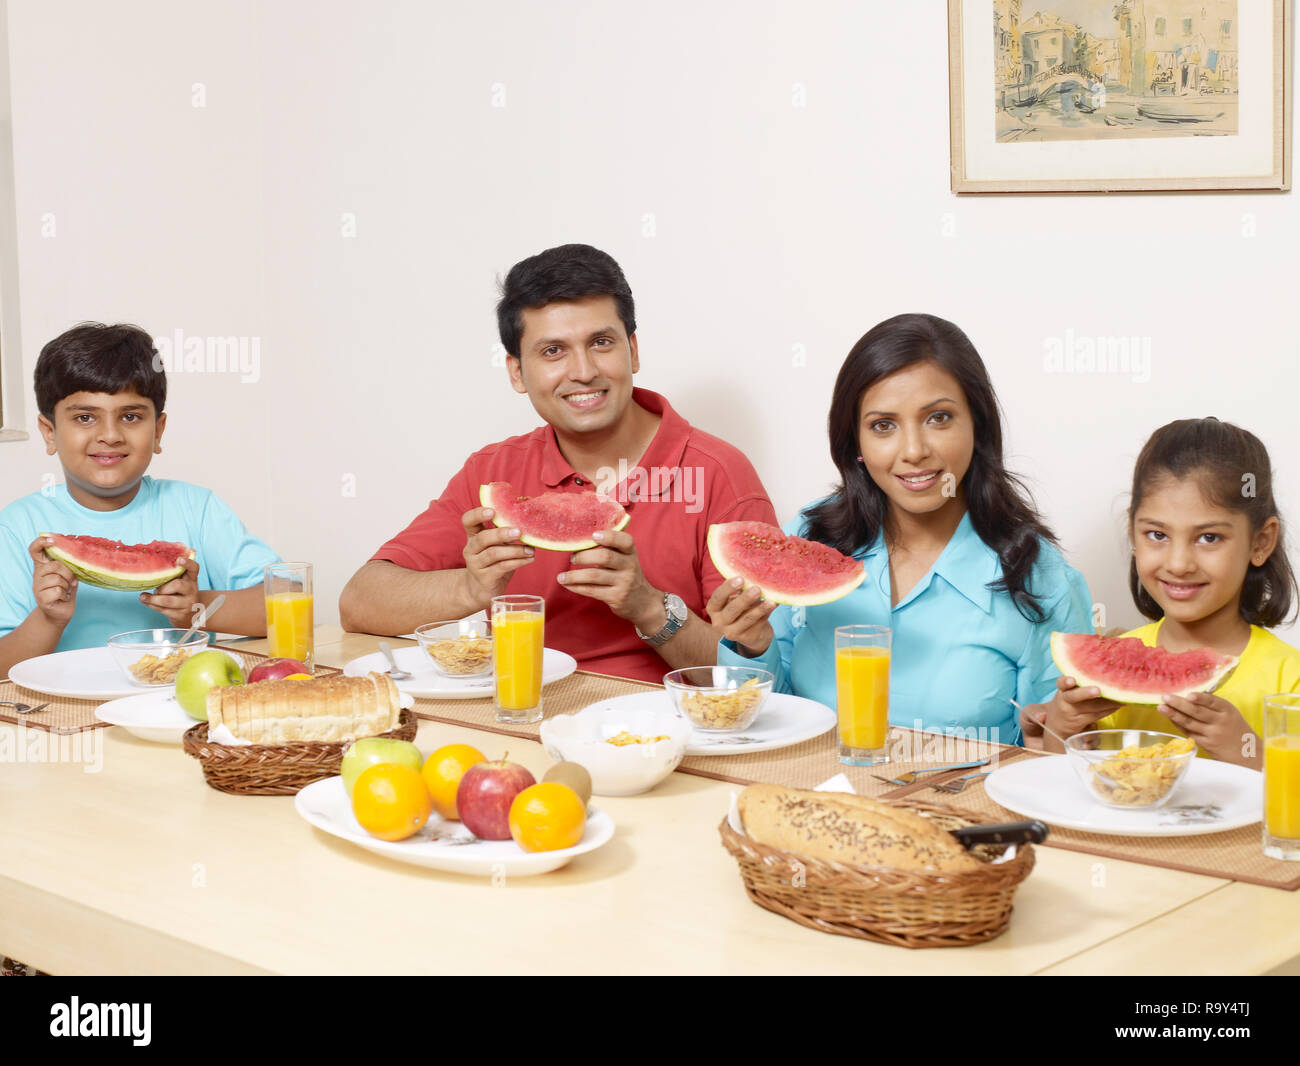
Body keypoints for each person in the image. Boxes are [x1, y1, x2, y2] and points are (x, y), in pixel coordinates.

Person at [339, 244, 776, 683]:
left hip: (660, 727)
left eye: (601, 342)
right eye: (553, 351)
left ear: (633, 350)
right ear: (516, 372)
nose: (583, 371)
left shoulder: (719, 473)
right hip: (518, 715)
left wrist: (649, 608)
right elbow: (359, 603)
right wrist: (471, 588)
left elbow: (748, 680)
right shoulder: (493, 471)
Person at [707, 313, 1092, 745]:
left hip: (965, 809)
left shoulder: (1041, 579)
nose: (913, 451)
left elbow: (1054, 752)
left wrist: (1058, 734)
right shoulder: (809, 535)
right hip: (815, 797)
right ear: (855, 442)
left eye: (939, 418)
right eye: (883, 425)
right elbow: (768, 723)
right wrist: (751, 647)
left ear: (978, 424)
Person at [0, 323, 278, 677]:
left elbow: (284, 601)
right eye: (85, 418)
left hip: (175, 700)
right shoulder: (17, 526)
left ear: (158, 431)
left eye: (130, 417)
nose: (110, 435)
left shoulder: (196, 508)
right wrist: (48, 619)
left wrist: (198, 606)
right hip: (63, 714)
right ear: (50, 432)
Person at [1023, 418, 1300, 768]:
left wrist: (1248, 751)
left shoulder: (1290, 679)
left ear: (1260, 542)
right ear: (1133, 532)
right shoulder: (1108, 671)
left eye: (1209, 537)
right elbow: (1064, 785)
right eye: (1157, 534)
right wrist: (1060, 729)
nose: (1179, 563)